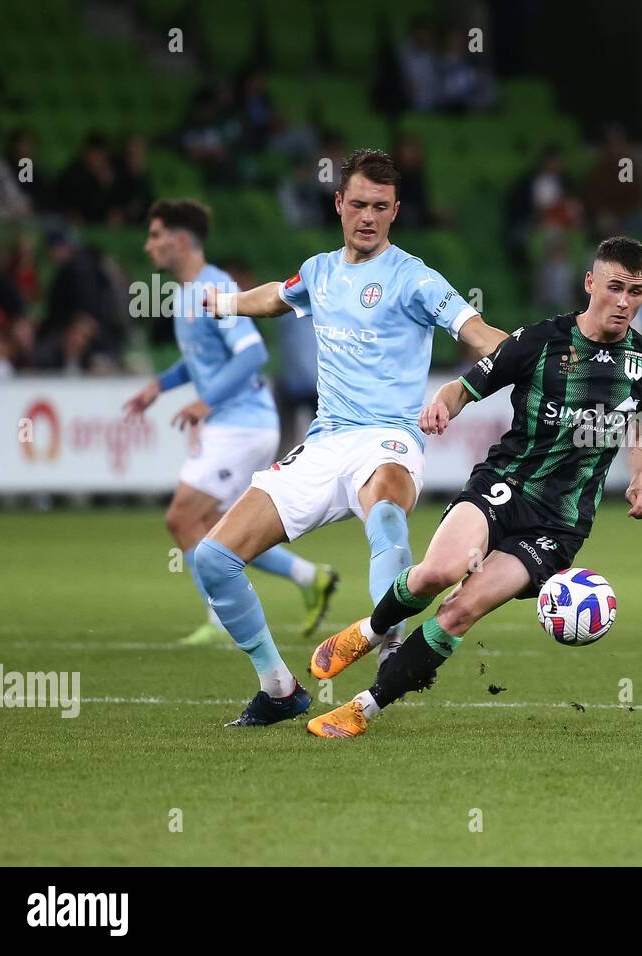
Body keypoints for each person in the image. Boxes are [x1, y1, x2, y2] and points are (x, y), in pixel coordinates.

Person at [303, 237, 642, 739]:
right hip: (504, 485)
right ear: (590, 284)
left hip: (558, 524)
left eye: (637, 291)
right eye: (615, 287)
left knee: (460, 610)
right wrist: (442, 406)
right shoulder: (540, 343)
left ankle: (364, 708)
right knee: (437, 573)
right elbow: (463, 386)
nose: (625, 301)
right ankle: (369, 631)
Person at [195, 149, 508, 727]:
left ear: (395, 211)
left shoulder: (415, 278)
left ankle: (389, 643)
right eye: (358, 204)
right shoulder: (318, 272)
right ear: (339, 204)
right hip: (323, 444)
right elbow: (277, 295)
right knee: (211, 559)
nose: (368, 216)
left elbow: (476, 332)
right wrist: (229, 303)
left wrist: (528, 351)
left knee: (385, 513)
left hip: (388, 438)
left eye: (381, 207)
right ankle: (279, 687)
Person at [122, 200, 338, 646]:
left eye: (155, 235)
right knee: (219, 527)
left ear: (180, 240)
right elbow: (200, 358)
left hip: (242, 424)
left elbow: (253, 353)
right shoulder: (185, 293)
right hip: (234, 421)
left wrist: (206, 401)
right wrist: (159, 387)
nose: (149, 246)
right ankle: (309, 575)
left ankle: (222, 619)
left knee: (183, 519)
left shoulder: (214, 288)